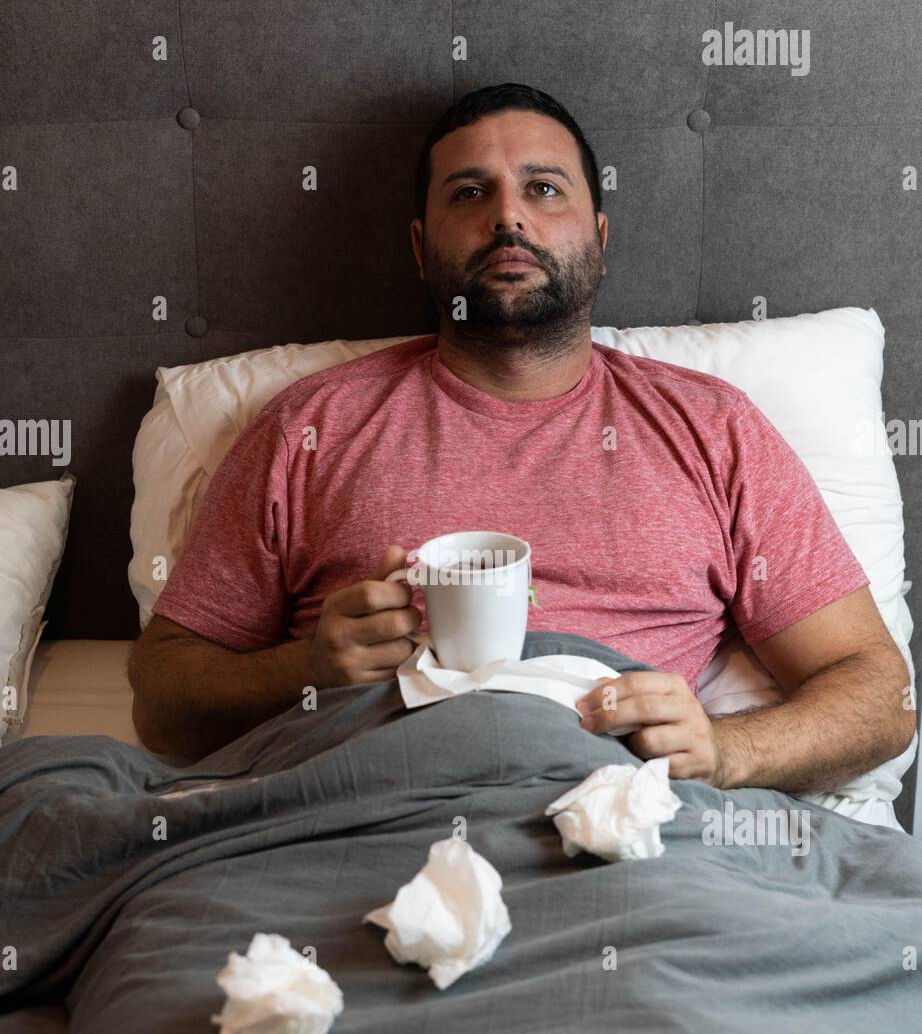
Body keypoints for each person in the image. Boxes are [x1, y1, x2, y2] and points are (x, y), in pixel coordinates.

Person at [128, 83, 915, 786]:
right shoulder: (310, 428)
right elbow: (162, 702)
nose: (507, 215)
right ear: (418, 246)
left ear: (599, 237)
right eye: (470, 193)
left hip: (613, 818)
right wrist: (306, 670)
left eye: (543, 188)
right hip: (366, 804)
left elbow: (880, 693)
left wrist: (722, 748)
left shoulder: (713, 429)